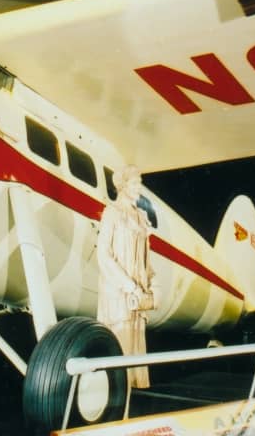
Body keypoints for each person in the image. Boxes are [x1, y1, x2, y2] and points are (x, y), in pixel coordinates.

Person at [96, 165, 155, 388]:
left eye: (139, 182)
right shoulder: (112, 213)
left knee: (135, 357)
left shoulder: (141, 218)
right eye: (135, 182)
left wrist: (149, 287)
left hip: (137, 297)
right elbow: (103, 255)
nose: (139, 186)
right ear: (122, 185)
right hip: (118, 294)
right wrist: (129, 285)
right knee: (118, 353)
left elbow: (146, 261)